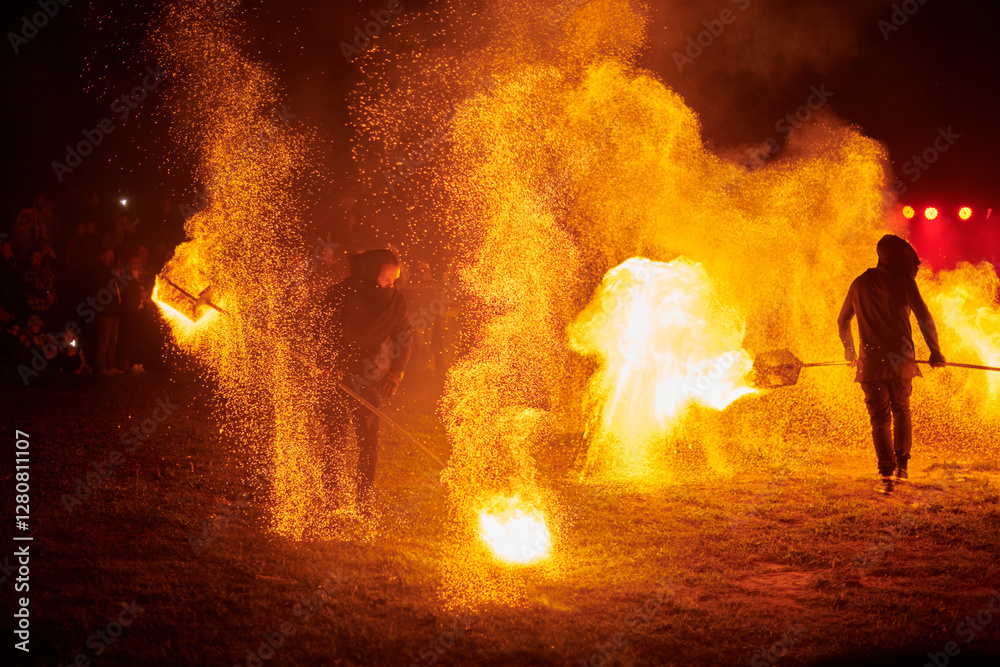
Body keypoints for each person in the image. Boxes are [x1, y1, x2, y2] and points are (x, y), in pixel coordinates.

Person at [837, 234, 945, 495]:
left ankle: (886, 475)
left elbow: (842, 322)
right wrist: (935, 351)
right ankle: (902, 469)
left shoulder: (859, 283)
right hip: (900, 361)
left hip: (870, 363)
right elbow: (923, 316)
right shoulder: (903, 280)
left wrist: (850, 352)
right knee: (902, 410)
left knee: (879, 419)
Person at [319, 248, 411, 516]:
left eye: (395, 279)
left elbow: (404, 338)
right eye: (386, 278)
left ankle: (363, 503)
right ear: (371, 273)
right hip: (334, 375)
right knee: (335, 438)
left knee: (368, 442)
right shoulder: (341, 293)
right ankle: (330, 500)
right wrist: (327, 363)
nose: (390, 284)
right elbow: (321, 329)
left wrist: (396, 373)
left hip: (367, 375)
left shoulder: (395, 301)